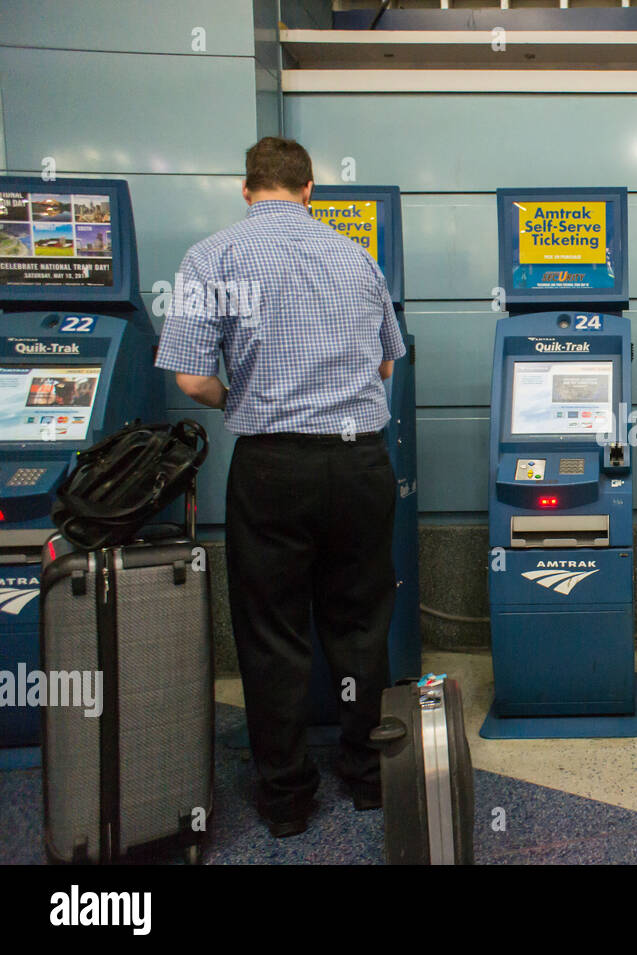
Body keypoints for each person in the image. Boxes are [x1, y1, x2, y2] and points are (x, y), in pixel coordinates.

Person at [156, 137, 405, 838]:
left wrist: (250, 393)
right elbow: (387, 365)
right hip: (360, 466)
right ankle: (366, 777)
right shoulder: (356, 256)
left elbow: (191, 378)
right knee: (360, 624)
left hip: (272, 468)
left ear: (246, 189)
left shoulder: (214, 256)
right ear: (310, 189)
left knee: (272, 632)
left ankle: (288, 797)